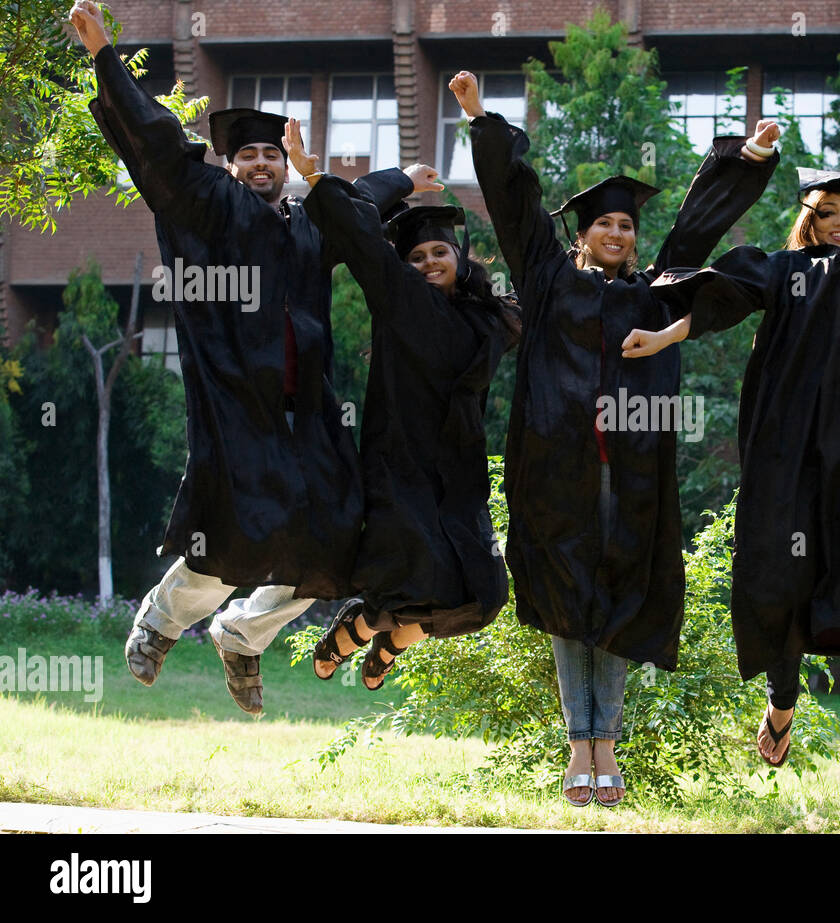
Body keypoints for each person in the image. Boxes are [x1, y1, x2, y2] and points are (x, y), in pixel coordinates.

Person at [68, 1, 433, 713]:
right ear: (231, 165)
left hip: (310, 416)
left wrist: (404, 178)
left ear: (283, 166)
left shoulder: (307, 225)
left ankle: (240, 634)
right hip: (239, 405)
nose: (262, 164)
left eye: (272, 155)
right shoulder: (209, 206)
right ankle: (160, 620)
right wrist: (105, 55)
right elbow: (155, 144)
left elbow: (353, 200)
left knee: (330, 544)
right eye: (249, 156)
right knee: (231, 539)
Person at [450, 70, 780, 807]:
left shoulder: (653, 292)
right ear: (583, 234)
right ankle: (581, 747)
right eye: (605, 223)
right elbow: (516, 205)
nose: (617, 233)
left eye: (627, 226)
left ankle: (610, 745)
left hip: (631, 474)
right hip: (558, 470)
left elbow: (701, 234)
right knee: (570, 600)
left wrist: (746, 161)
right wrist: (480, 119)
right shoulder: (548, 280)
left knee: (623, 596)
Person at [624, 168, 840, 800]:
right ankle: (782, 701)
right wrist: (661, 337)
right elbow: (722, 296)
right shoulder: (784, 271)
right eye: (827, 212)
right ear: (808, 219)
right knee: (784, 584)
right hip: (793, 470)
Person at [280, 119, 520, 690]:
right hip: (400, 466)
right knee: (412, 581)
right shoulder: (399, 298)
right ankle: (359, 633)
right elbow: (363, 240)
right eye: (417, 256)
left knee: (483, 593)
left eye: (440, 251)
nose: (430, 262)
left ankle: (378, 635)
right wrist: (313, 173)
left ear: (460, 259)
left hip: (458, 473)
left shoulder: (490, 318)